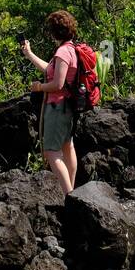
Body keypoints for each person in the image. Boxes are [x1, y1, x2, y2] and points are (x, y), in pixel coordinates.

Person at [20, 10, 79, 195]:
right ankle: (74, 193)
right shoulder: (71, 49)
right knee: (67, 146)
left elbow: (57, 84)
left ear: (54, 32)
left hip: (57, 107)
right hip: (68, 106)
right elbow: (50, 70)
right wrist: (29, 54)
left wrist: (38, 87)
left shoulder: (62, 52)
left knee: (51, 153)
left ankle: (70, 196)